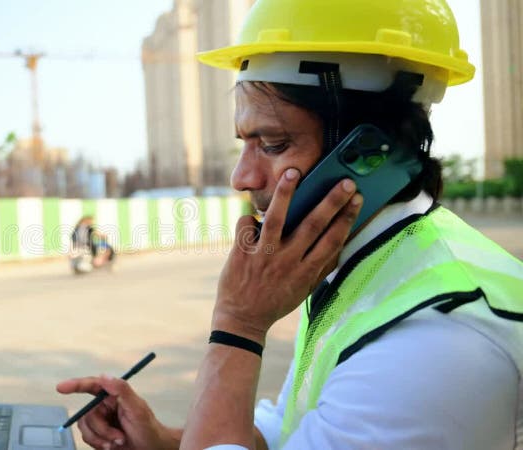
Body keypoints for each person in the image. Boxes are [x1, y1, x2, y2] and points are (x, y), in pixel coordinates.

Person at [56, 0, 523, 448]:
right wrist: (166, 442)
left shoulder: (435, 340)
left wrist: (237, 325)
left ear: (364, 155)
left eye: (274, 144)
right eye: (244, 143)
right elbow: (289, 430)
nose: (242, 177)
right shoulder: (361, 261)